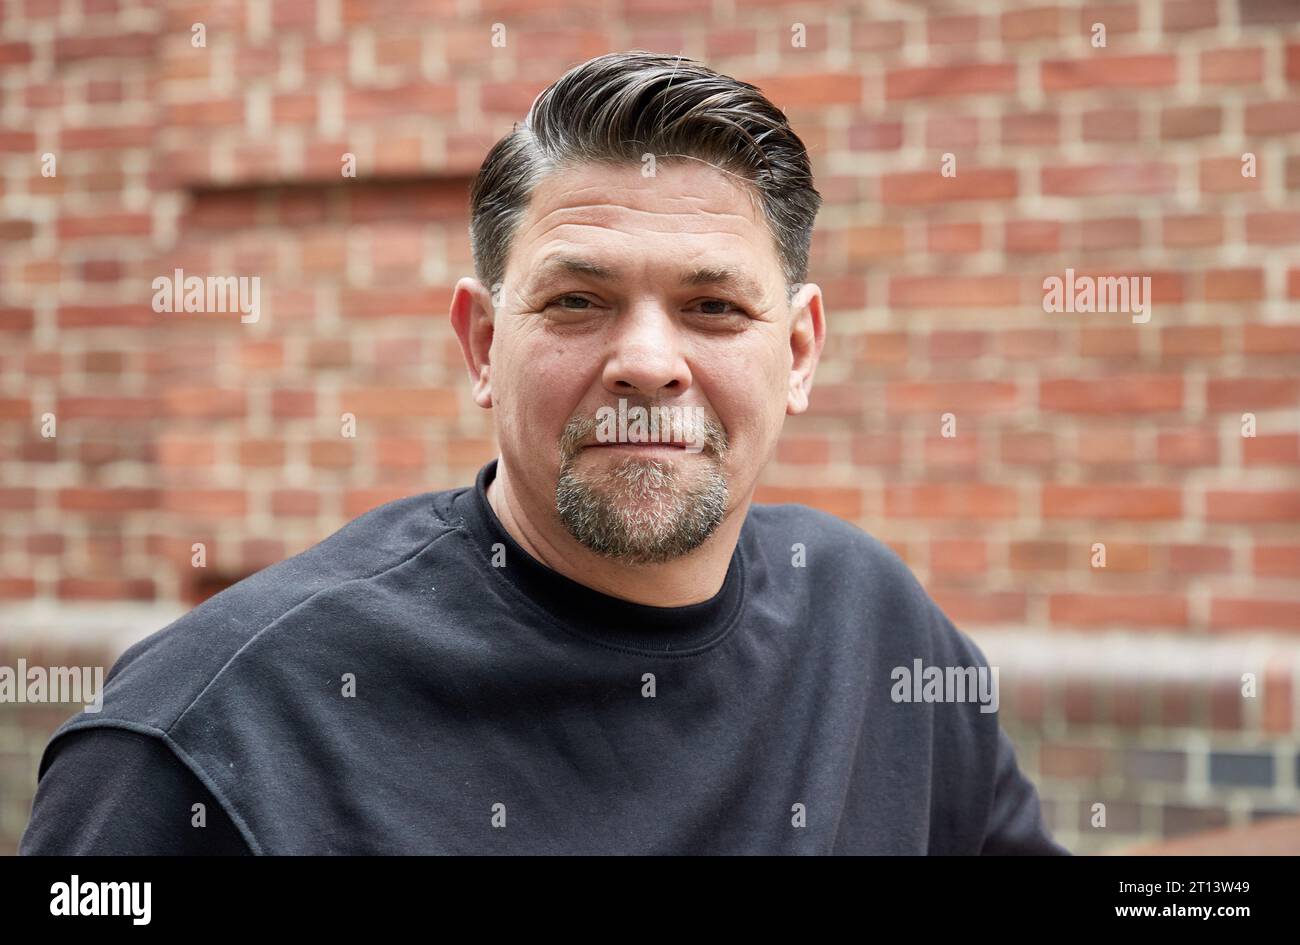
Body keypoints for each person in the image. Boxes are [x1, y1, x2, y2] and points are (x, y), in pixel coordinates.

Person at [21, 51, 1067, 855]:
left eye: (711, 306)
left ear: (796, 352)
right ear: (483, 344)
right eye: (579, 301)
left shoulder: (873, 631)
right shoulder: (206, 742)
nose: (647, 362)